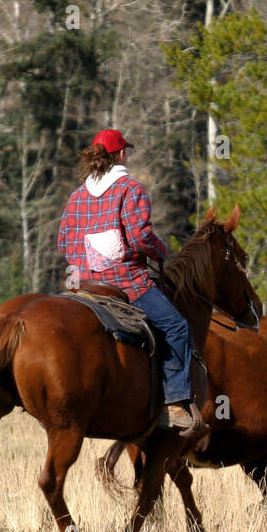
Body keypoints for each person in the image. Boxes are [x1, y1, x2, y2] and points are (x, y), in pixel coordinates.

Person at [57, 129, 206, 439]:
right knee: (177, 326)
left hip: (81, 286)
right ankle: (175, 404)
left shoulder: (76, 197)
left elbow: (64, 244)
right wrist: (160, 250)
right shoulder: (130, 189)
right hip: (125, 285)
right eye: (126, 151)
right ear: (121, 155)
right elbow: (139, 238)